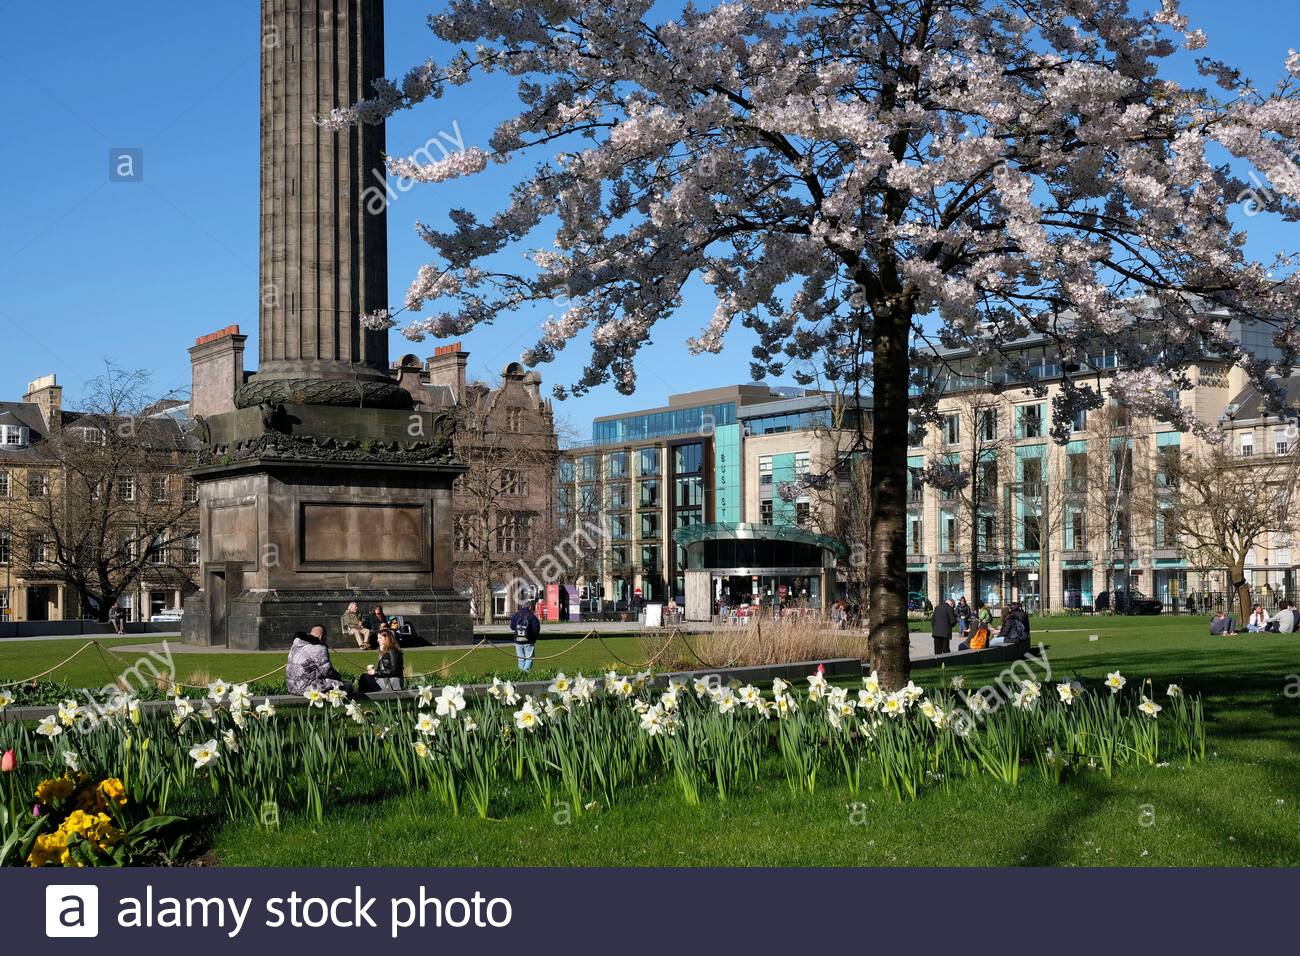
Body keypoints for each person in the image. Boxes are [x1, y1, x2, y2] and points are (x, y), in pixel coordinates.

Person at [286, 626, 351, 695]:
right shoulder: (319, 648)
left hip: (292, 688)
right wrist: (339, 678)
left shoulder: (296, 645)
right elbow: (327, 671)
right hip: (307, 689)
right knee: (346, 686)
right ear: (321, 636)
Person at [359, 628, 405, 693]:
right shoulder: (385, 651)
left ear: (386, 638)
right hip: (386, 679)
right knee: (364, 676)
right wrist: (374, 671)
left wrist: (376, 672)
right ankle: (368, 694)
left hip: (392, 682)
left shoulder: (393, 651)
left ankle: (366, 695)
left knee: (364, 677)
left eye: (380, 638)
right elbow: (385, 668)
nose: (377, 640)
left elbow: (394, 670)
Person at [510, 600, 541, 672]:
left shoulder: (516, 615)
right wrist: (534, 638)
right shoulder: (532, 617)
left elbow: (512, 627)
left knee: (520, 659)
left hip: (518, 640)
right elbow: (536, 629)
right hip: (529, 641)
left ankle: (521, 674)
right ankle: (525, 673)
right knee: (529, 658)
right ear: (530, 607)